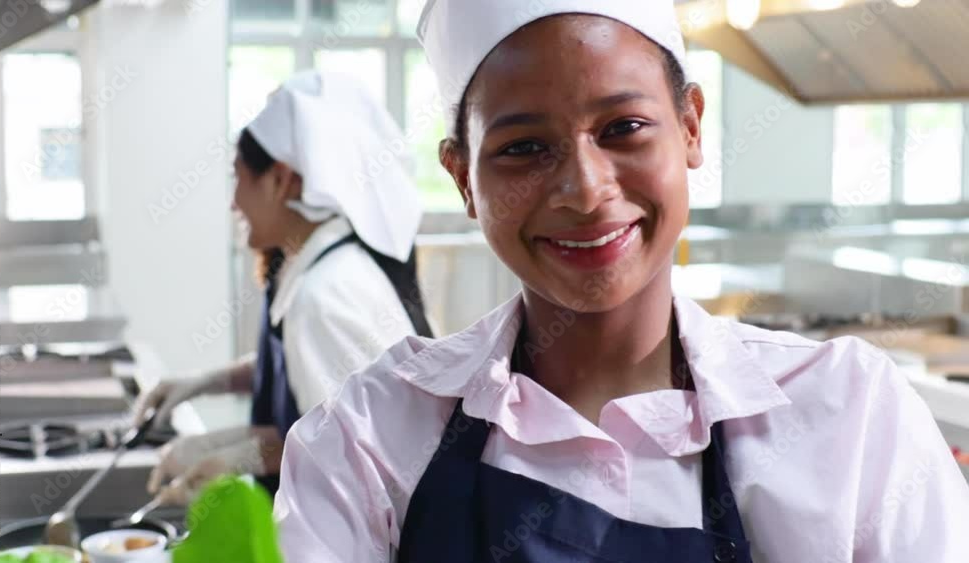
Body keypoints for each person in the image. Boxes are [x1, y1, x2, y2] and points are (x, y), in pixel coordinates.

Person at [275, 1, 969, 562]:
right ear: (462, 177)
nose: (584, 189)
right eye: (524, 148)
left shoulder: (851, 418)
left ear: (691, 126)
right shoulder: (367, 440)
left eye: (624, 127)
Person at [133, 70, 434, 504]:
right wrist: (206, 382)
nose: (233, 201)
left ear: (281, 179)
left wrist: (235, 457)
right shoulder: (303, 261)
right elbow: (303, 376)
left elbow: (347, 451)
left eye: (238, 177)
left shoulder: (327, 291)